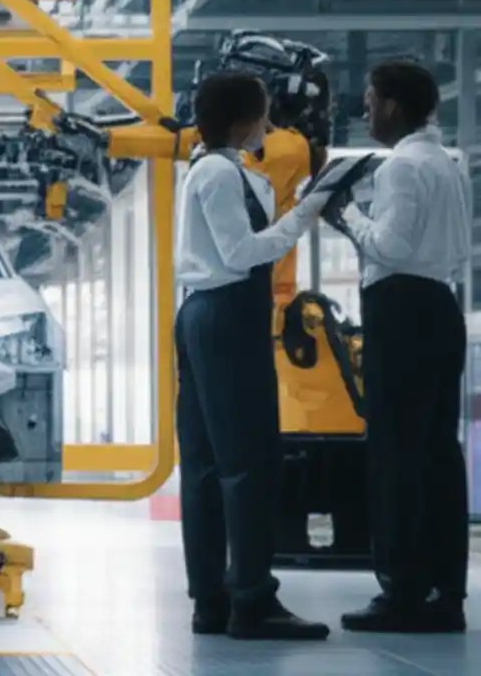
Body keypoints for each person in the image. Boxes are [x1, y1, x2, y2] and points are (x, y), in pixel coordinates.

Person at [174, 72, 332, 640]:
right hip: (227, 313)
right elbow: (241, 253)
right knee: (248, 460)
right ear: (246, 121)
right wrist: (306, 213)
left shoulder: (209, 168)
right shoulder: (220, 173)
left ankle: (212, 599)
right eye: (265, 115)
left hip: (202, 313)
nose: (269, 126)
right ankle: (252, 600)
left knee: (206, 464)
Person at [339, 60, 471, 634]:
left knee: (395, 453)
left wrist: (345, 214)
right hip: (442, 308)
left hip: (401, 312)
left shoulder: (399, 168)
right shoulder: (448, 163)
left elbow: (389, 246)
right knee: (440, 453)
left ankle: (400, 594)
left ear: (393, 105)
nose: (366, 110)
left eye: (370, 100)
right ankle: (445, 593)